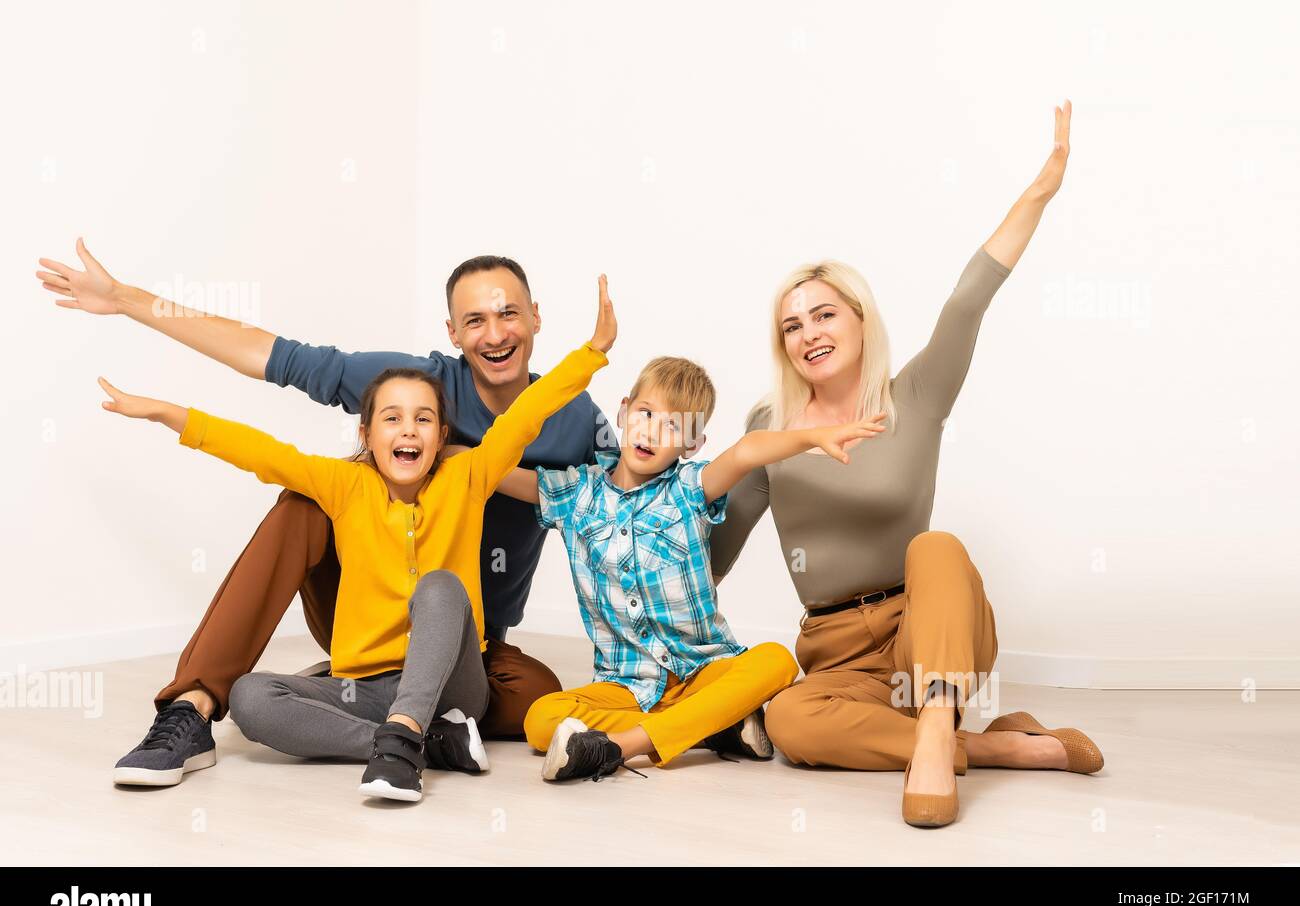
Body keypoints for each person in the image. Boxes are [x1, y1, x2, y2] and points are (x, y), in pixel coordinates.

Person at [35, 245, 614, 786]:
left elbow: (629, 500)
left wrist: (497, 473)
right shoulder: (412, 386)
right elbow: (269, 363)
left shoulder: (569, 416)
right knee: (304, 499)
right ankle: (196, 704)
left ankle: (375, 709)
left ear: (536, 318)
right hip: (363, 608)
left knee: (535, 694)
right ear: (453, 332)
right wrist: (126, 302)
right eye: (475, 321)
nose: (494, 333)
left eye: (508, 314)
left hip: (468, 634)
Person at [708, 100, 1104, 828]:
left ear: (861, 318)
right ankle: (996, 750)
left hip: (931, 631)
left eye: (824, 313)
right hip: (838, 658)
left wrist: (1041, 189)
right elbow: (716, 554)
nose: (809, 334)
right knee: (792, 721)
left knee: (938, 546)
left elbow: (968, 300)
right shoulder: (767, 426)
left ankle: (935, 730)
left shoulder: (915, 394)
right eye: (792, 325)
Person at [492, 355, 885, 782]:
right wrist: (444, 453)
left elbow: (749, 450)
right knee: (541, 719)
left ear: (693, 444)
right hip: (627, 686)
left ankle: (629, 745)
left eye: (675, 427)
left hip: (703, 672)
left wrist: (815, 435)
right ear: (624, 411)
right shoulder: (576, 494)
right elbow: (492, 472)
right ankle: (712, 725)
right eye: (646, 414)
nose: (653, 432)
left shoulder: (690, 489)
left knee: (775, 660)